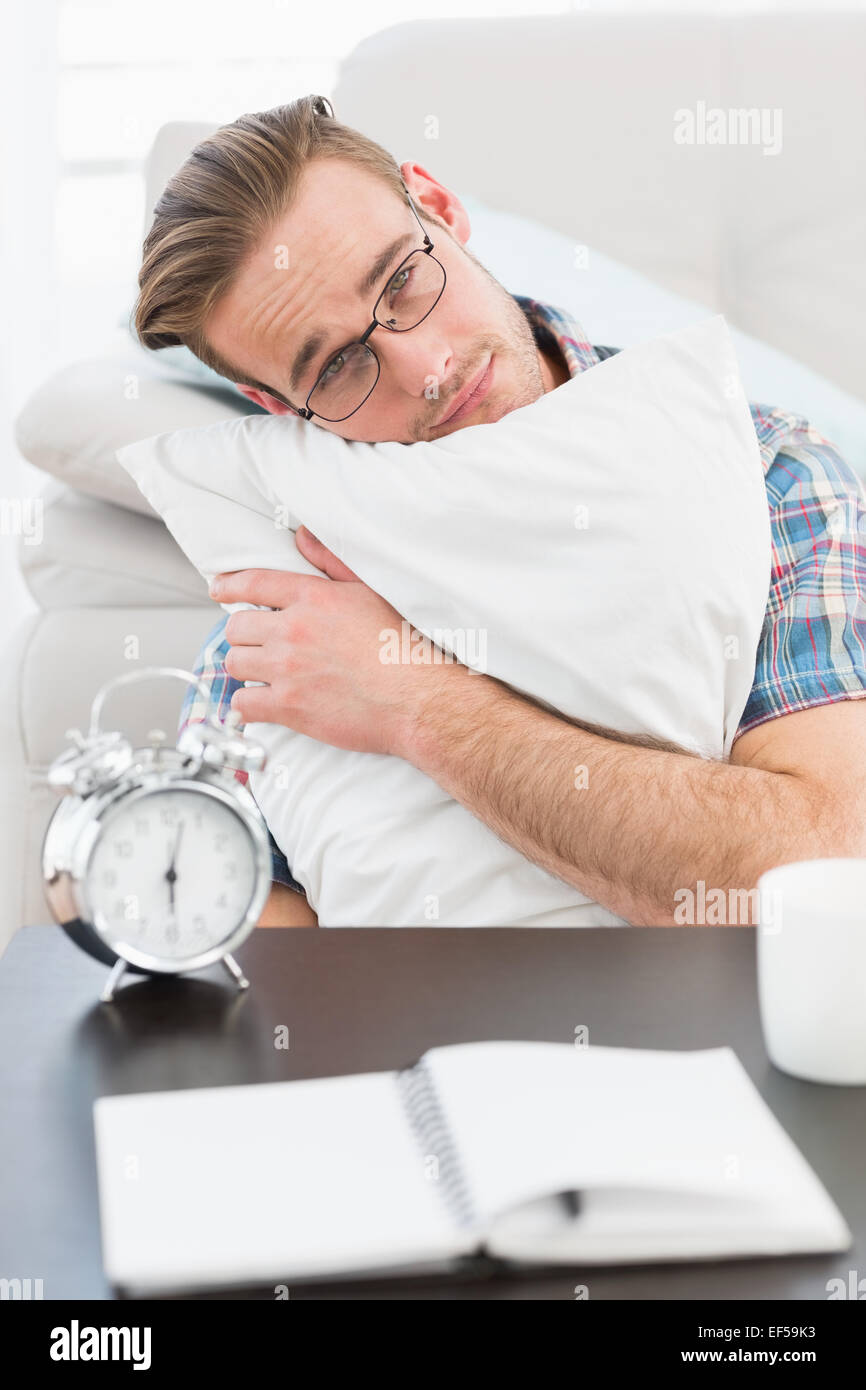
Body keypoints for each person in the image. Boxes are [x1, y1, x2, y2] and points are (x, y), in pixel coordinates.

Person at [133, 95, 866, 928]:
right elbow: (207, 892)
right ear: (273, 402)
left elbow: (826, 869)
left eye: (403, 281)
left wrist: (413, 702)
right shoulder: (300, 558)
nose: (428, 368)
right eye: (338, 366)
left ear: (439, 207)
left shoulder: (768, 473)